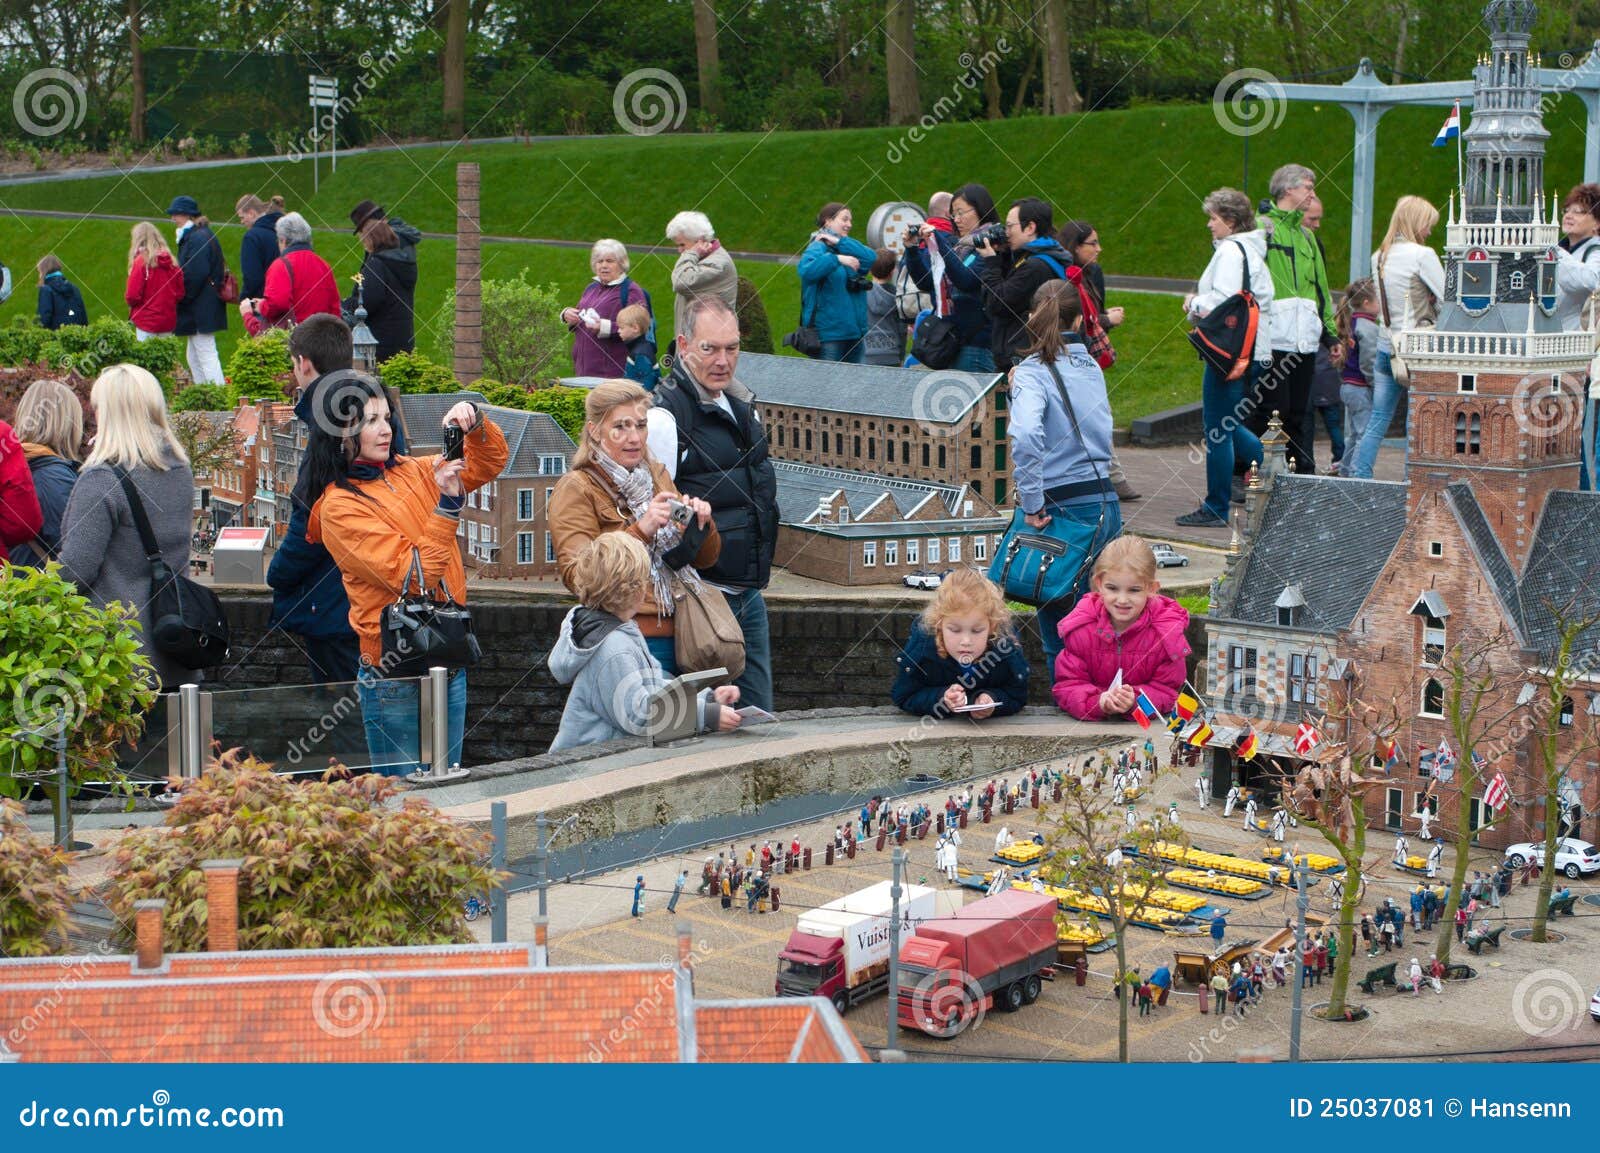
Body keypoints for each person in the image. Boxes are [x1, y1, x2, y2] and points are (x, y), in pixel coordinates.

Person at [303, 374, 509, 774]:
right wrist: (447, 506)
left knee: (449, 790)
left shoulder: (413, 472)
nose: (385, 430)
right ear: (339, 433)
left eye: (386, 417)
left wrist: (476, 424)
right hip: (393, 674)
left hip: (447, 660)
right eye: (370, 421)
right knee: (405, 802)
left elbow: (489, 462)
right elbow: (415, 579)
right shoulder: (339, 508)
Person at [647, 296, 778, 706]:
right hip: (700, 599)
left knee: (758, 722)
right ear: (683, 346)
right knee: (704, 730)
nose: (723, 360)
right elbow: (655, 516)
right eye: (710, 348)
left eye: (732, 347)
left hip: (749, 593)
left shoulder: (743, 407)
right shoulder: (664, 418)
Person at [552, 379, 721, 677]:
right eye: (620, 427)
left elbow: (707, 560)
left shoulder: (655, 474)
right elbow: (578, 576)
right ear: (595, 431)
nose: (634, 438)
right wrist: (640, 531)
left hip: (686, 633)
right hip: (629, 641)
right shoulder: (576, 487)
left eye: (641, 426)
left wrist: (700, 526)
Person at [266, 316, 396, 685]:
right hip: (379, 604)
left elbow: (309, 522)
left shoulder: (330, 419)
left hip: (337, 609)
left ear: (303, 362)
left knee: (348, 722)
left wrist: (278, 575)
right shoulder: (374, 405)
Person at [1005, 280, 1122, 665]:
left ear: (1030, 319)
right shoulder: (1091, 366)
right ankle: (1106, 705)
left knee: (1061, 627)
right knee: (1106, 621)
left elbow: (1025, 436)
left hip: (1060, 509)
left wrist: (1032, 502)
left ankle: (1071, 712)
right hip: (1105, 503)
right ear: (1079, 319)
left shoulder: (1030, 372)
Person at [56, 365, 192, 687]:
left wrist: (27, 598)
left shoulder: (102, 479)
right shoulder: (179, 471)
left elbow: (74, 571)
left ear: (110, 414)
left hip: (118, 660)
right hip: (175, 645)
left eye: (98, 407)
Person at [547, 534, 742, 750]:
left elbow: (652, 686)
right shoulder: (614, 648)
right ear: (637, 590)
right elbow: (638, 717)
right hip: (589, 767)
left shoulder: (618, 630)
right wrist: (705, 715)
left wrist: (708, 698)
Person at [1176, 189, 1274, 526]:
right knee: (1226, 426)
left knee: (1217, 430)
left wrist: (1193, 304)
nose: (1209, 224)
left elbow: (1224, 302)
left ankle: (1216, 507)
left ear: (1230, 221)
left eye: (1214, 217)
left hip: (1231, 356)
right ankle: (1280, 473)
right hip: (1253, 351)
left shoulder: (1232, 251)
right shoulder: (1251, 250)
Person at [1343, 195, 1443, 479]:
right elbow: (1449, 299)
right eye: (1428, 225)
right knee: (1417, 419)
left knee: (1379, 418)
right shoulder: (1422, 255)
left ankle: (1360, 476)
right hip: (1417, 349)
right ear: (1417, 222)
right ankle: (1411, 480)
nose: (1429, 231)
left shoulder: (1380, 255)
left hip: (1387, 346)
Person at [1250, 165, 1340, 474]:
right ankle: (1254, 471)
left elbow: (1321, 288)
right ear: (1288, 190)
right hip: (1272, 337)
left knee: (1300, 412)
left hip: (1304, 339)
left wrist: (1330, 335)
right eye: (1308, 188)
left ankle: (1299, 474)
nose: (1313, 194)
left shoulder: (1307, 236)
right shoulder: (1262, 228)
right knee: (1271, 409)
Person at [1053, 535, 1190, 721]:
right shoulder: (1081, 630)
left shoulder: (1166, 634)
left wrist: (1136, 700)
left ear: (1151, 588)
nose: (1123, 600)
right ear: (1099, 584)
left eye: (1134, 590)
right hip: (1092, 727)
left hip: (1144, 731)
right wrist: (1098, 702)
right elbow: (1067, 686)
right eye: (1113, 588)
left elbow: (1167, 691)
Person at [892, 567, 1029, 718]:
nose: (966, 641)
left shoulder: (1004, 652)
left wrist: (992, 699)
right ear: (939, 625)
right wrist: (941, 698)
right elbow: (904, 696)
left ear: (992, 627)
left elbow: (1017, 695)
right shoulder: (923, 652)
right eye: (955, 630)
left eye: (977, 631)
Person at [904, 182, 998, 372]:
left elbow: (965, 280)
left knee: (973, 401)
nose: (956, 219)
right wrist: (912, 249)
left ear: (980, 209)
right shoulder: (960, 246)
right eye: (954, 214)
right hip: (954, 341)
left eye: (961, 212)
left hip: (977, 344)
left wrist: (938, 239)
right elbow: (927, 283)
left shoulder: (991, 242)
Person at [975, 197, 1074, 371]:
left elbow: (997, 302)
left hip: (1021, 362)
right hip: (1028, 357)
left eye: (1010, 226)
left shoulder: (1035, 267)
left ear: (1030, 228)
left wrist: (991, 262)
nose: (1006, 232)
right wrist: (1003, 256)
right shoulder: (1042, 258)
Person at [9, 378, 80, 569]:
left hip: (13, 590)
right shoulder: (53, 477)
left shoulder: (13, 468)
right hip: (39, 593)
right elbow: (76, 554)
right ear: (69, 423)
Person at [240, 211, 343, 335]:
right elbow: (334, 308)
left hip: (295, 339)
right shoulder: (323, 265)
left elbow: (277, 305)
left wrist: (260, 307)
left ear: (283, 240)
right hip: (322, 339)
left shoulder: (281, 265)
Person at [797, 202, 875, 363]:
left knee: (856, 385)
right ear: (828, 221)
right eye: (844, 219)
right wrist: (837, 259)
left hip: (854, 334)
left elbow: (870, 258)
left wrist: (839, 243)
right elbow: (806, 271)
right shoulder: (817, 247)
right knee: (827, 386)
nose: (849, 224)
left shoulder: (845, 246)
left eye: (850, 220)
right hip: (830, 336)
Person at [344, 200, 421, 363]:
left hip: (379, 343)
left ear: (369, 235)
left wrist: (345, 305)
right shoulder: (404, 257)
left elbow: (366, 302)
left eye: (362, 235)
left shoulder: (377, 263)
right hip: (402, 338)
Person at [563, 239, 653, 377]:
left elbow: (638, 328)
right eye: (599, 261)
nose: (603, 265)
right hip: (583, 370)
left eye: (610, 261)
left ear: (622, 264)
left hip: (612, 374)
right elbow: (580, 317)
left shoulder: (631, 291)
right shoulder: (591, 288)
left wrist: (603, 327)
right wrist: (568, 315)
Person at [167, 195, 228, 384]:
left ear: (186, 215)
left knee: (206, 353)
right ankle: (206, 395)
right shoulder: (199, 234)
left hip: (200, 306)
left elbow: (196, 273)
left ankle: (216, 398)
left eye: (175, 214)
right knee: (194, 356)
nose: (172, 219)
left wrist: (182, 297)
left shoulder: (196, 238)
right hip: (203, 305)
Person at [665, 210, 738, 342]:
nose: (680, 251)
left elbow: (681, 282)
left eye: (682, 245)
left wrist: (691, 254)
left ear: (700, 241)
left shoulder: (718, 264)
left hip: (708, 349)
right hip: (694, 345)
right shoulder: (700, 259)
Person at [1335, 278, 1380, 452]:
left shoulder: (1350, 322)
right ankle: (1358, 473)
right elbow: (1368, 362)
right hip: (1360, 388)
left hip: (1348, 386)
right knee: (1365, 434)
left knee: (1354, 434)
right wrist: (1376, 385)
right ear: (1367, 303)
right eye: (1378, 301)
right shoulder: (1368, 328)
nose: (1381, 305)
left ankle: (1346, 472)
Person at [125, 222, 185, 341]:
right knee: (166, 357)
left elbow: (132, 296)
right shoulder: (172, 263)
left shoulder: (141, 262)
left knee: (144, 357)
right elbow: (180, 293)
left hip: (146, 321)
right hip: (167, 320)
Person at [235, 193, 287, 300]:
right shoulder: (284, 228)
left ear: (251, 213)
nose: (241, 222)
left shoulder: (252, 237)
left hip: (263, 302)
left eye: (242, 217)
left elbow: (252, 278)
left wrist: (243, 299)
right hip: (288, 298)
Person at [863, 248, 907, 366]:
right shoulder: (899, 297)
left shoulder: (861, 294)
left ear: (870, 270)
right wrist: (901, 355)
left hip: (866, 353)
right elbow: (902, 330)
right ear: (893, 271)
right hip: (891, 354)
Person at [34, 256, 86, 330]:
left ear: (43, 271)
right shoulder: (74, 288)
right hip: (77, 335)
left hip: (56, 337)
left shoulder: (46, 290)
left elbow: (43, 319)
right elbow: (83, 316)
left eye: (39, 272)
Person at [616, 303, 660, 390]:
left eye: (621, 328)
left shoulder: (641, 353)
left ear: (635, 328)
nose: (618, 331)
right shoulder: (638, 348)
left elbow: (646, 384)